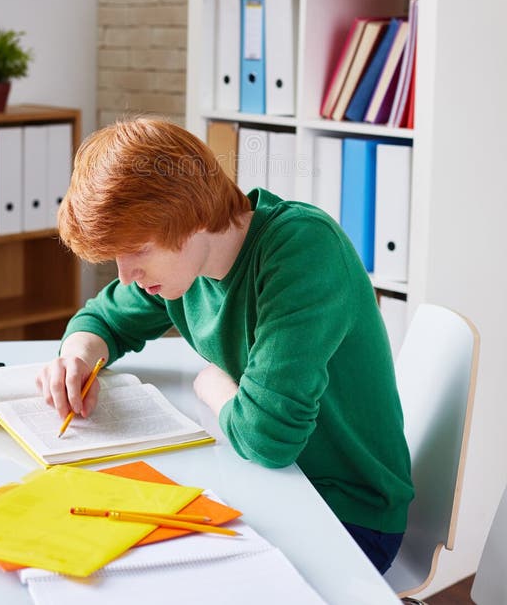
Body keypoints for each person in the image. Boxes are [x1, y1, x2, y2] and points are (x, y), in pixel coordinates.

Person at [36, 117, 413, 574]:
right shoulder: (182, 268)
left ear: (190, 217)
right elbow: (101, 320)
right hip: (261, 485)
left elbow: (268, 438)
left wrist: (214, 385)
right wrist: (76, 358)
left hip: (344, 514)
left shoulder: (304, 249)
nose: (126, 275)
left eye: (137, 249)